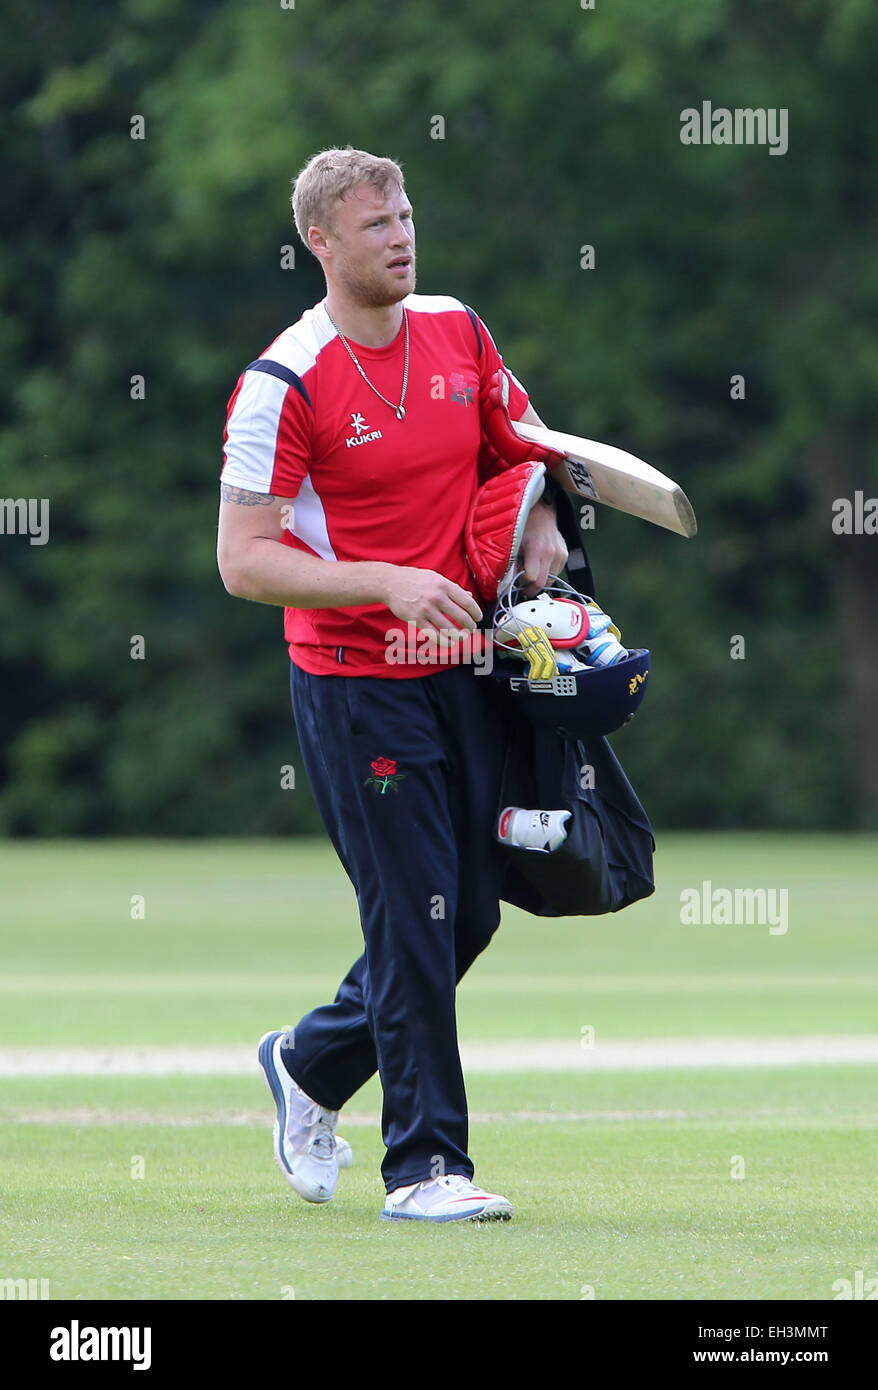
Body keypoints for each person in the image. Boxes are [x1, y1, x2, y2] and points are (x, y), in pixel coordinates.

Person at [216, 146, 567, 1223]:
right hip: (354, 682)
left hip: (464, 669)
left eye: (405, 215)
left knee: (465, 914)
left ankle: (310, 1063)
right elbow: (243, 560)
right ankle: (423, 1168)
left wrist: (543, 518)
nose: (401, 236)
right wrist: (384, 583)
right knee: (413, 913)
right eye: (374, 225)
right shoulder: (284, 379)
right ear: (319, 242)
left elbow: (523, 444)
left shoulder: (458, 329)